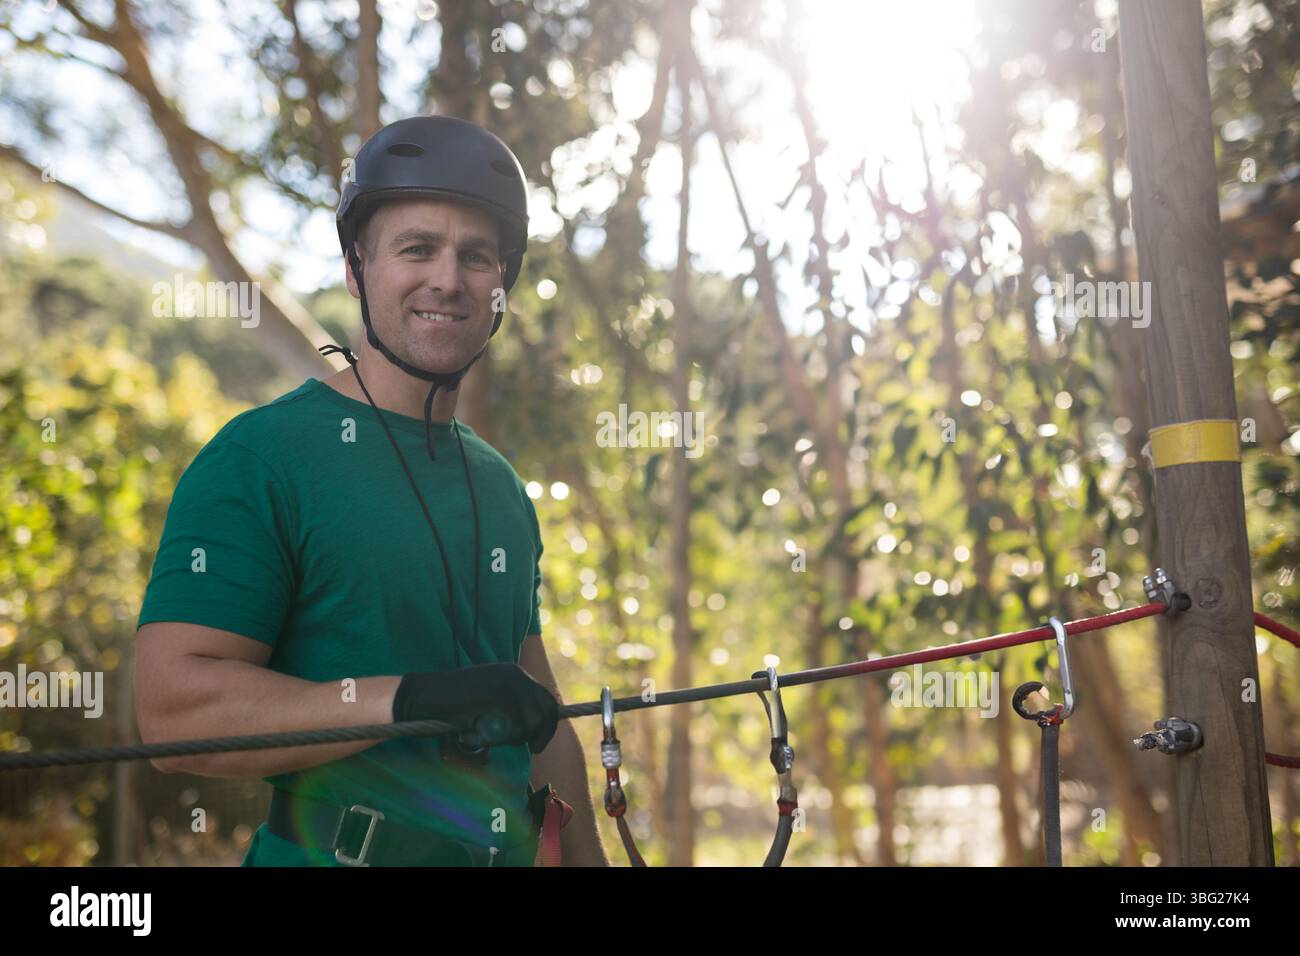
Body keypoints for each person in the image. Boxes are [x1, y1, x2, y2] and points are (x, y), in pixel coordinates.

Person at [134, 115, 608, 866]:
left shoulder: (501, 485)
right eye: (417, 248)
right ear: (357, 271)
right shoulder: (260, 457)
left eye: (477, 257)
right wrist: (403, 701)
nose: (448, 279)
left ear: (501, 289)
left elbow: (542, 724)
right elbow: (170, 715)